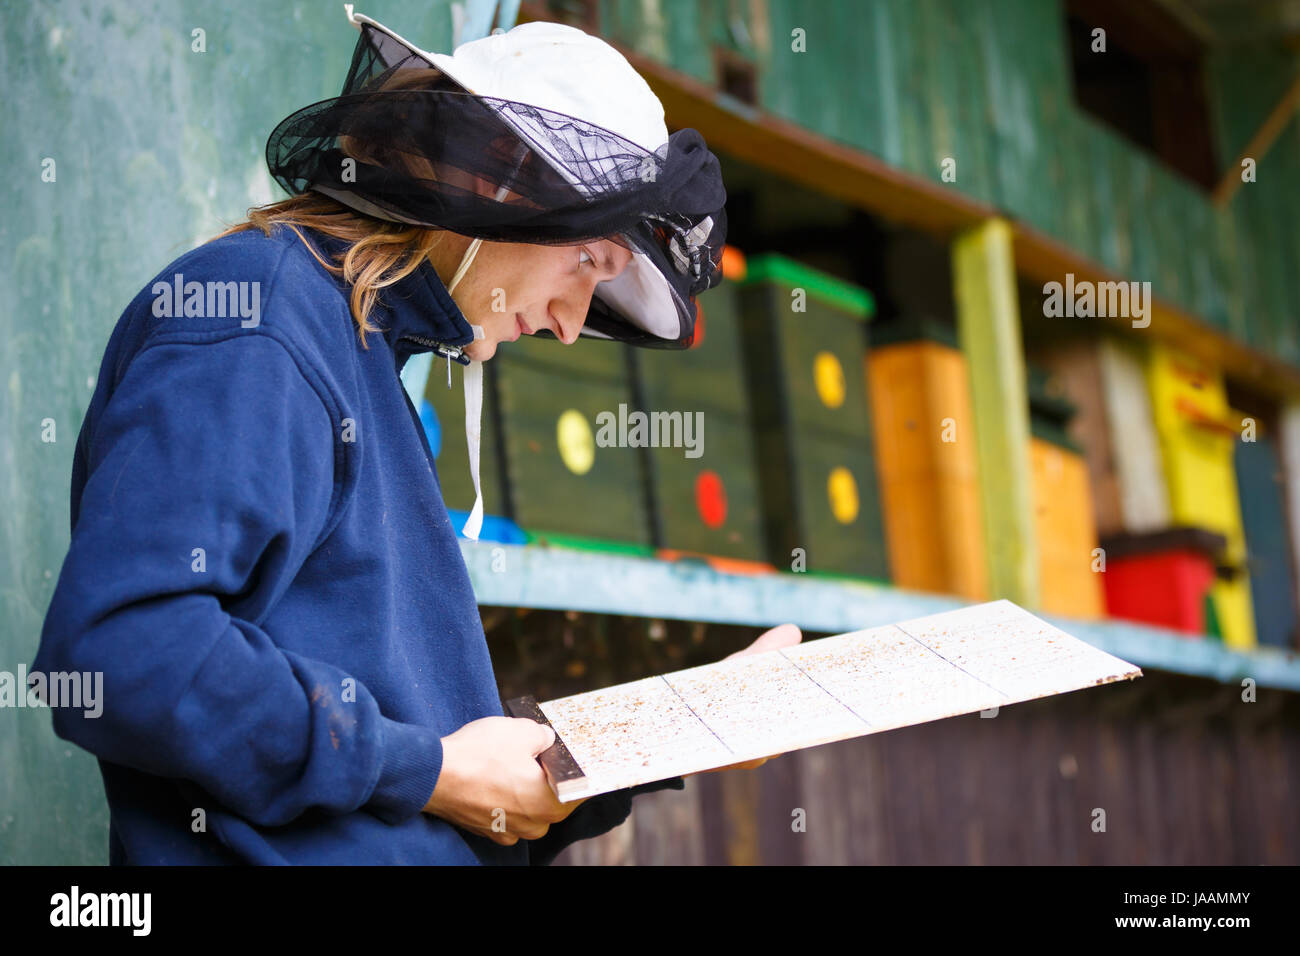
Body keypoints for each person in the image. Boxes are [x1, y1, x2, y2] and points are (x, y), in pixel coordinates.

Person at [31, 10, 800, 864]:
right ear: (500, 180)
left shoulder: (363, 360)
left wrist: (674, 732)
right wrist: (428, 769)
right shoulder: (259, 317)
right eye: (588, 262)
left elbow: (430, 790)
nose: (573, 324)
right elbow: (122, 654)